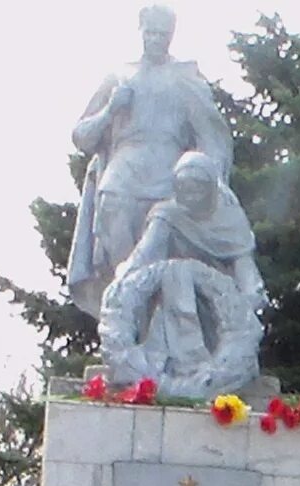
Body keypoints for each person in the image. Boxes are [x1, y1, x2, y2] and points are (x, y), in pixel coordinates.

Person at [67, 4, 234, 319]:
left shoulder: (185, 77)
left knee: (163, 251)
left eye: (163, 34)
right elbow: (82, 137)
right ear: (140, 31)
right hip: (125, 167)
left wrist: (215, 182)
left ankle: (162, 327)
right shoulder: (119, 75)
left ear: (172, 36)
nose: (156, 39)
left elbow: (211, 137)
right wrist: (110, 110)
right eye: (151, 33)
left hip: (170, 172)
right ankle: (124, 315)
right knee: (115, 219)